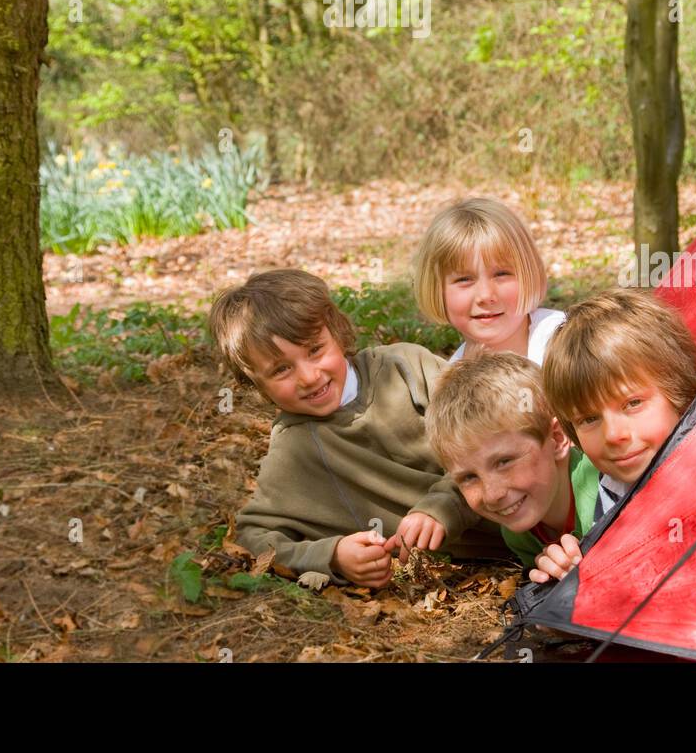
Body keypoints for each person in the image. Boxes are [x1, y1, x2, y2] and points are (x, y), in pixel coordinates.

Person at [208, 268, 506, 589]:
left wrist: (445, 505)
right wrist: (332, 555)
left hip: (536, 506)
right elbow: (252, 537)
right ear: (256, 383)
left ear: (336, 332)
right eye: (281, 369)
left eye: (315, 350)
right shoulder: (292, 450)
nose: (309, 377)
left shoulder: (406, 367)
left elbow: (495, 430)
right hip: (507, 552)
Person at [533, 286, 696, 583]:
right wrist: (569, 570)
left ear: (680, 392)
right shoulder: (610, 489)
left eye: (633, 403)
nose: (613, 435)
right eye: (589, 419)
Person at [425, 350, 600, 583]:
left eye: (504, 462)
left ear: (557, 439)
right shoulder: (518, 531)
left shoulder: (605, 492)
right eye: (469, 477)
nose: (493, 494)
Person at [412, 196, 565, 365]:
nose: (485, 295)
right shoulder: (454, 374)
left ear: (530, 274)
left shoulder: (568, 343)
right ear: (437, 290)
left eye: (501, 274)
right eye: (464, 279)